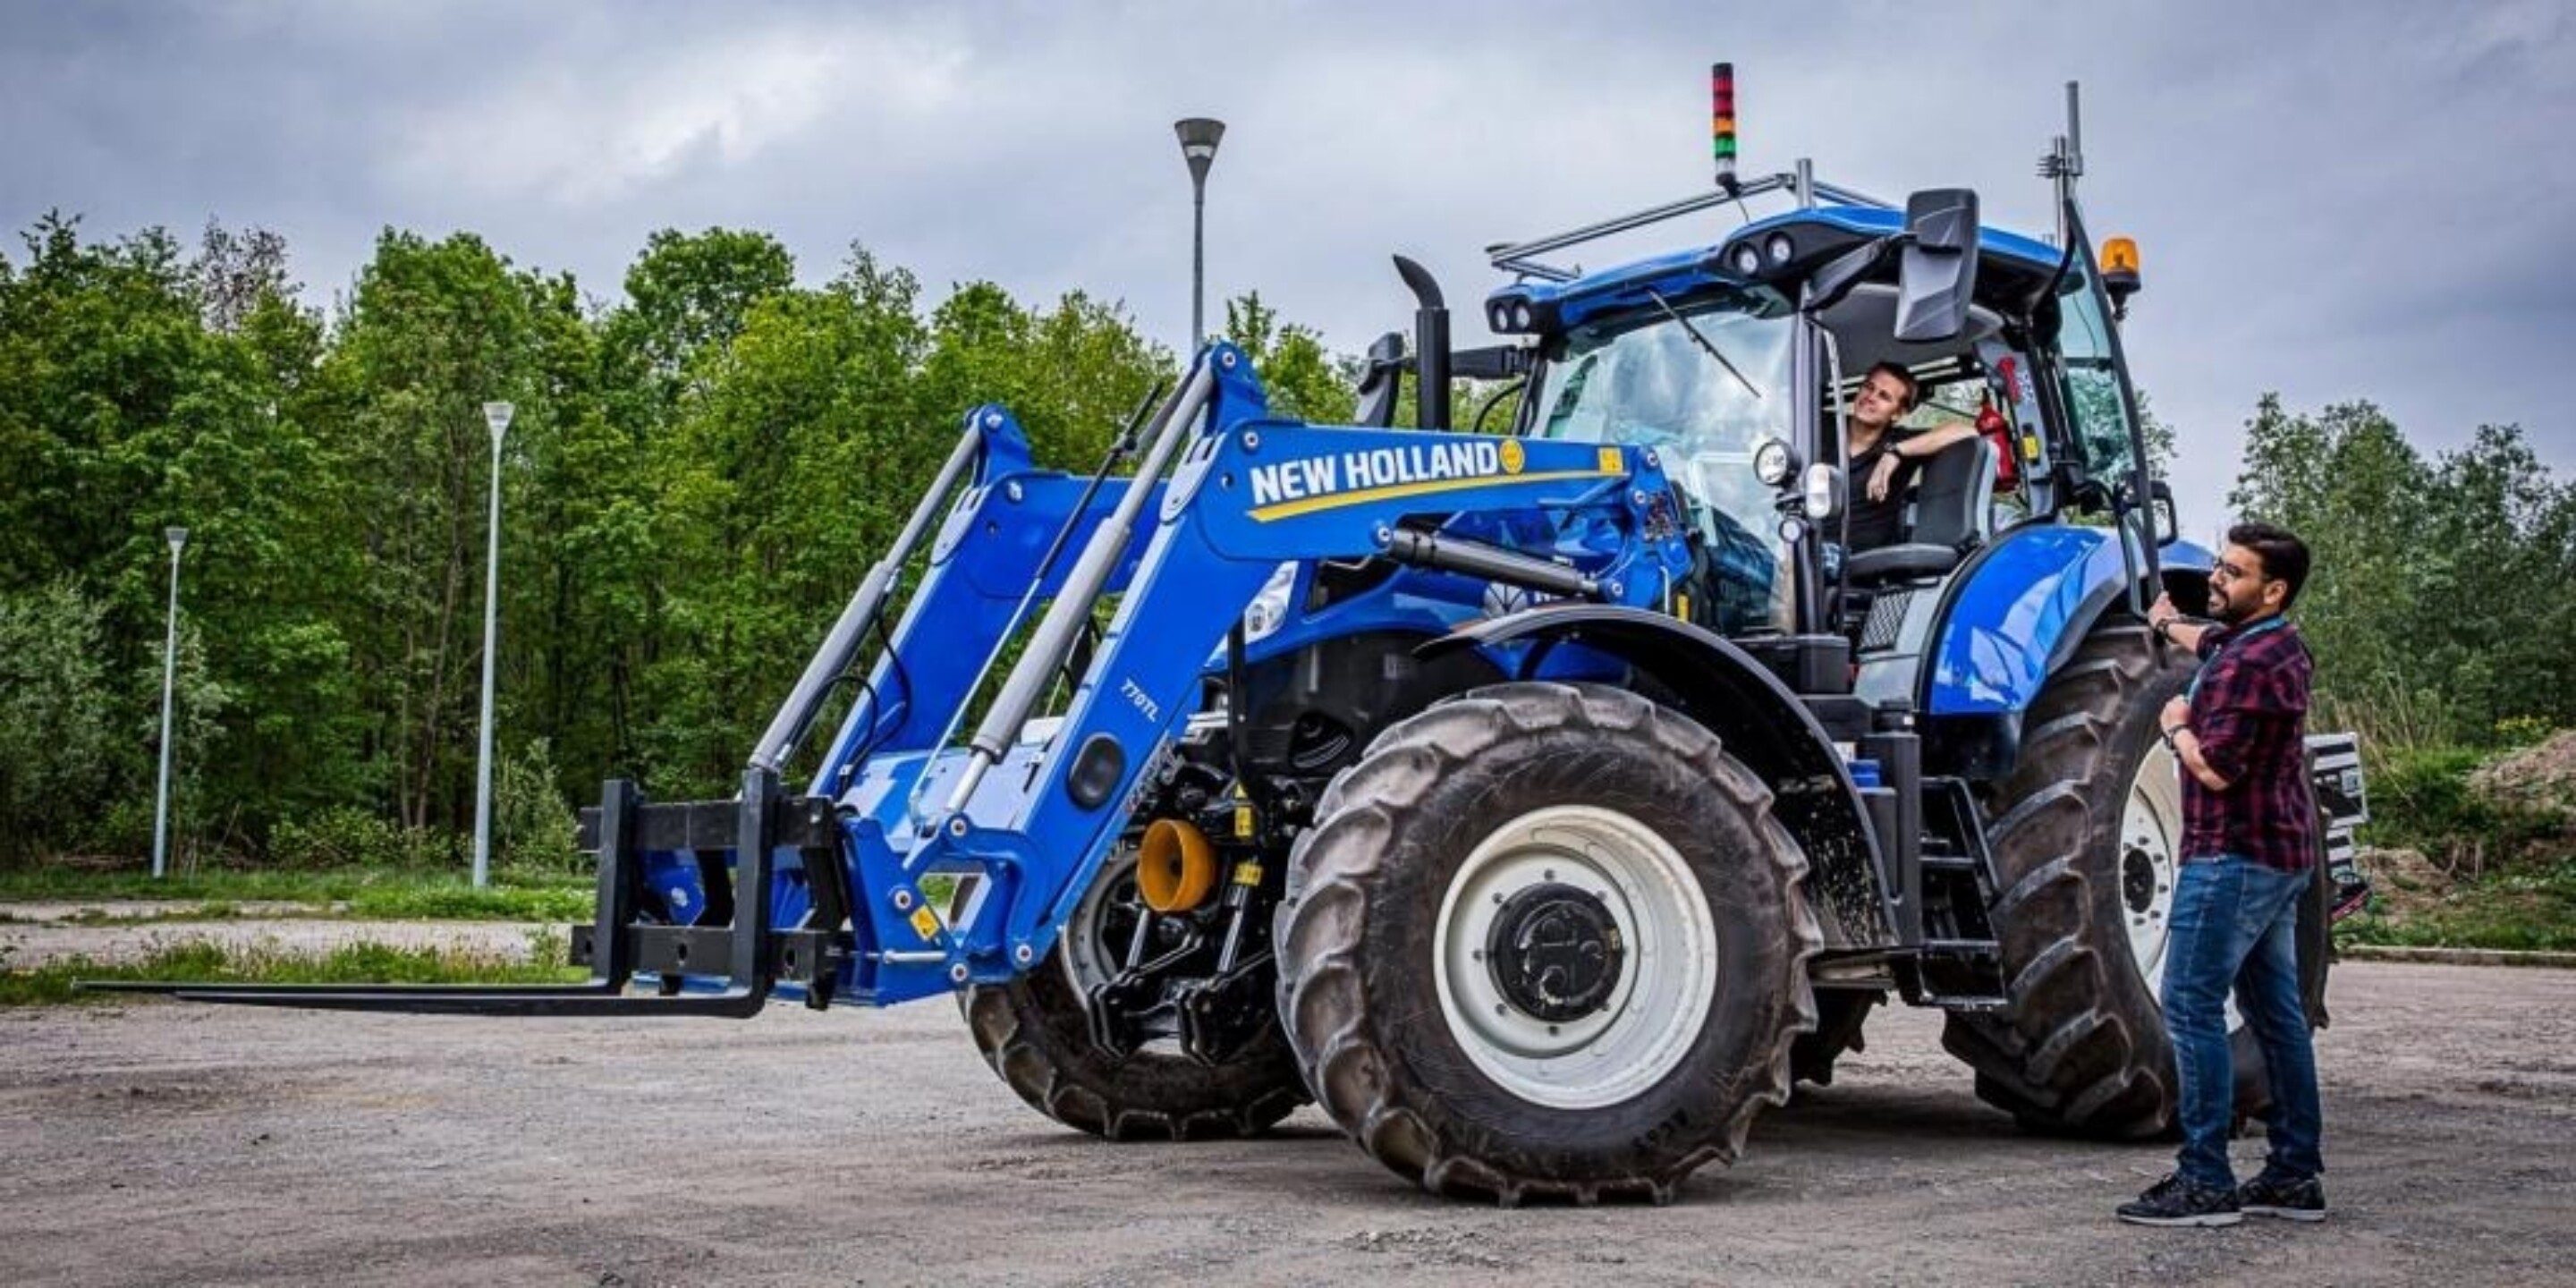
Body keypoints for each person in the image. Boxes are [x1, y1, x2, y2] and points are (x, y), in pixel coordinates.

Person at [2119, 522, 2326, 1228]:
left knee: (2189, 1005)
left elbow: (2216, 769)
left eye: (2232, 574)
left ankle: (2205, 1181)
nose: (2216, 578)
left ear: (2272, 590)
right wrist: (2171, 623)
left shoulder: (2247, 667)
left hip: (2233, 855)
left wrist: (2175, 724)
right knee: (2276, 1015)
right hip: (2280, 856)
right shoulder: (2272, 645)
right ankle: (2295, 1174)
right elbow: (2210, 642)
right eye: (2219, 565)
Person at [1843, 361, 1977, 551]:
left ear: (1897, 414)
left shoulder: (1900, 441)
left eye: (1884, 396)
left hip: (1861, 563)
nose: (1871, 397)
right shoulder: (1819, 426)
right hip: (1799, 546)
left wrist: (1895, 452)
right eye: (1869, 387)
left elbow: (1965, 430)